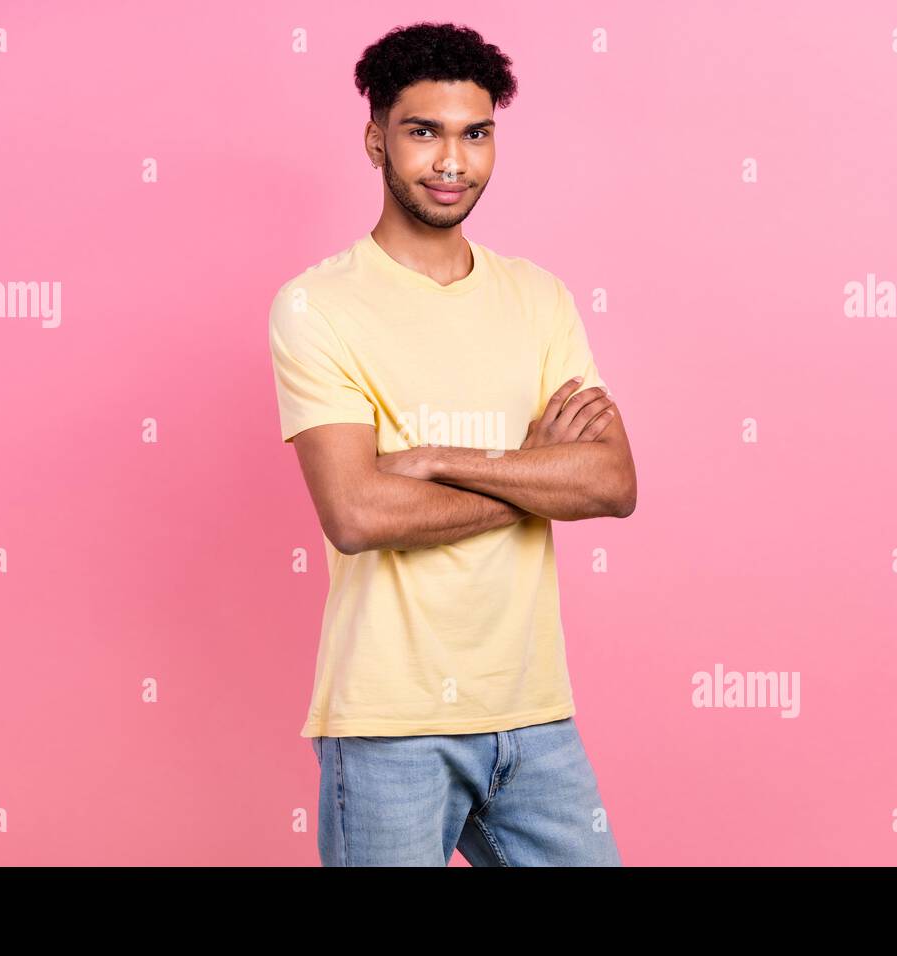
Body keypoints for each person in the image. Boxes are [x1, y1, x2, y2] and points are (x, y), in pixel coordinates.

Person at [267, 22, 637, 866]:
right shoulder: (318, 306)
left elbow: (611, 483)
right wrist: (536, 472)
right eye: (423, 131)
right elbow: (358, 512)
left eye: (475, 134)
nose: (452, 162)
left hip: (533, 712)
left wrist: (436, 460)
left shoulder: (539, 297)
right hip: (390, 720)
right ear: (376, 139)